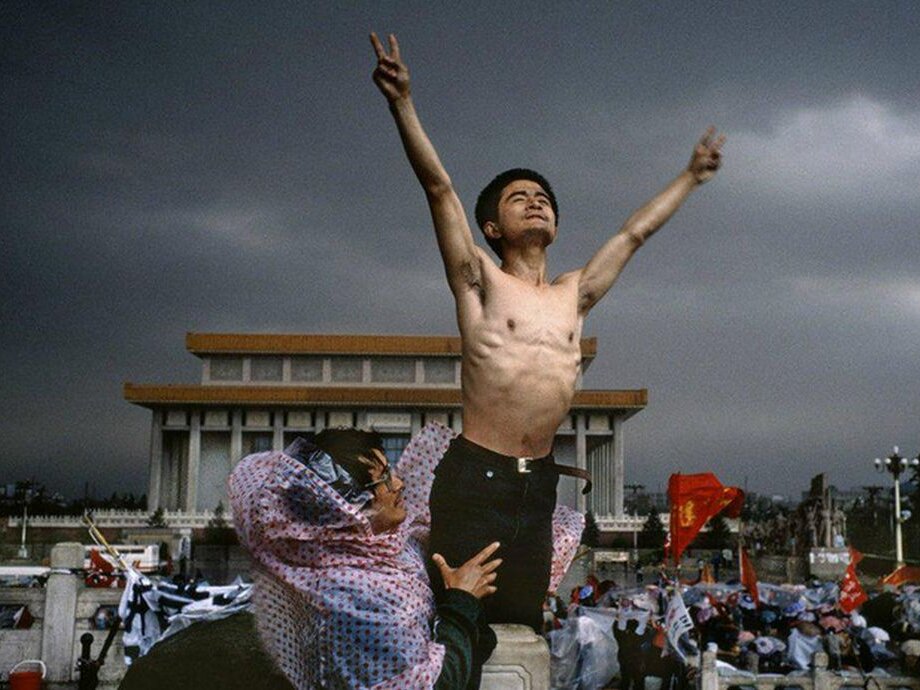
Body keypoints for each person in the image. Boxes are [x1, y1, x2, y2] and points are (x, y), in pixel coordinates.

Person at [369, 29, 724, 682]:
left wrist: (691, 177)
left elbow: (635, 232)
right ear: (493, 228)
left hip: (538, 484)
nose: (536, 200)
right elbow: (440, 190)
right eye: (517, 197)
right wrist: (403, 104)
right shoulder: (479, 278)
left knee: (522, 633)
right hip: (475, 478)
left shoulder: (574, 295)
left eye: (544, 197)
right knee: (457, 621)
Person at [228, 425, 502, 689]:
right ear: (344, 506)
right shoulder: (354, 596)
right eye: (383, 479)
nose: (398, 483)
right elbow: (435, 684)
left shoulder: (368, 553)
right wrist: (461, 604)